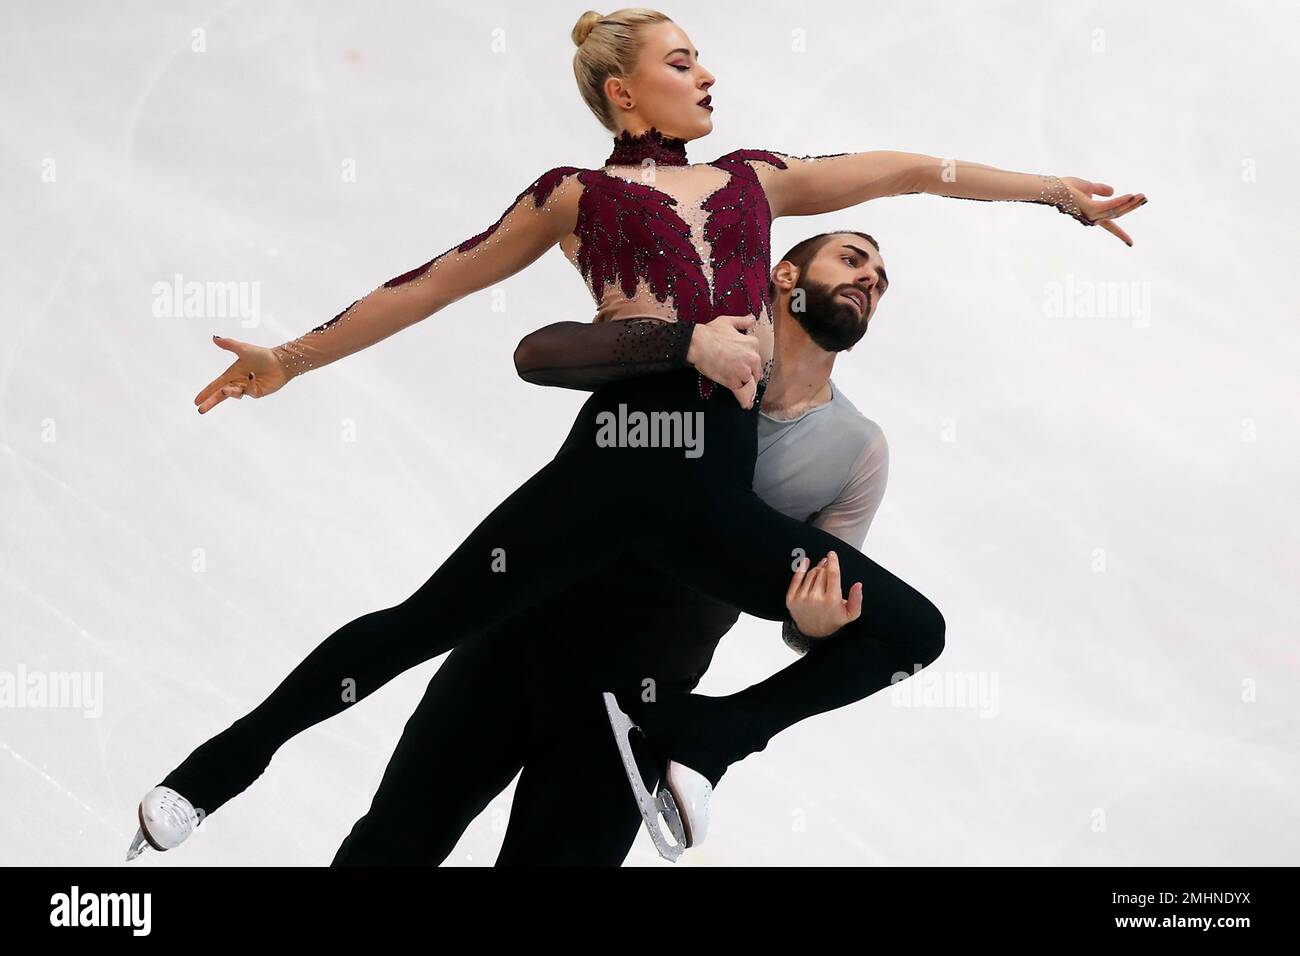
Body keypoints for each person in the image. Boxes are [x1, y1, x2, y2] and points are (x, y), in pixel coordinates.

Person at [127, 8, 1146, 863]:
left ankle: (706, 736)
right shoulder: (577, 192)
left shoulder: (756, 180)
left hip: (706, 494)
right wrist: (291, 358)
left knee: (907, 630)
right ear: (623, 92)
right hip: (612, 459)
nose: (707, 73)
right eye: (681, 60)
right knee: (414, 624)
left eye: (701, 57)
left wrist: (1050, 191)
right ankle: (206, 777)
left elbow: (914, 171)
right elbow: (437, 281)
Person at [331, 230, 890, 865]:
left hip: (639, 702)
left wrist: (812, 629)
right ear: (785, 275)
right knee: (390, 847)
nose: (870, 279)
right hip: (516, 644)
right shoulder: (686, 349)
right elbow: (538, 354)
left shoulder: (857, 449)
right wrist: (677, 345)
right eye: (852, 259)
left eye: (880, 279)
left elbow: (818, 602)